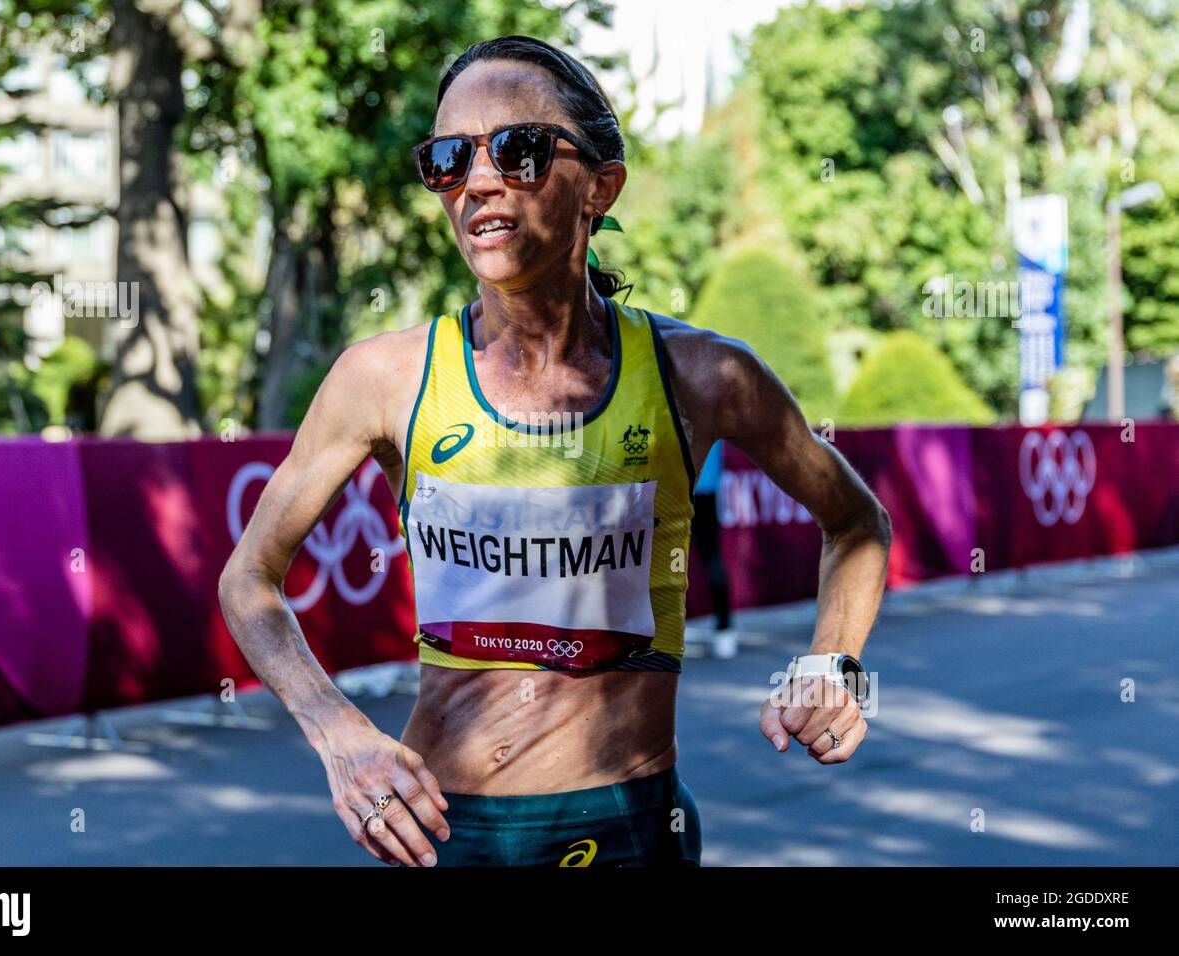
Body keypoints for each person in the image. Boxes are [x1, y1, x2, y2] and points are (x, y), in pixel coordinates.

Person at [219, 35, 891, 868]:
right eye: (446, 160)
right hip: (447, 835)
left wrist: (833, 663)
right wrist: (340, 734)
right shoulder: (384, 379)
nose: (479, 181)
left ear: (600, 187)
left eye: (519, 149)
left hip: (631, 832)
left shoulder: (706, 375)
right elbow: (248, 578)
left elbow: (857, 522)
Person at [691, 439, 733, 632]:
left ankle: (724, 627)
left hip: (685, 491)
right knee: (712, 557)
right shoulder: (712, 409)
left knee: (669, 561)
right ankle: (724, 628)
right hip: (706, 490)